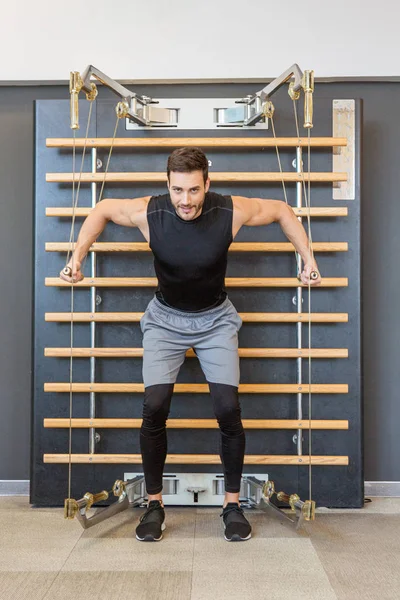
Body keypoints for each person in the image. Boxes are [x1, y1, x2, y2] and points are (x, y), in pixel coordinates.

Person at [60, 147, 321, 542]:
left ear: (207, 185)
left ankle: (231, 505)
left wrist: (309, 260)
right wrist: (77, 257)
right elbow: (100, 211)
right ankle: (154, 505)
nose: (186, 200)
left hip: (216, 320)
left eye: (194, 190)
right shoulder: (151, 213)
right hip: (165, 320)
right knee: (154, 407)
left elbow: (284, 210)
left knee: (228, 409)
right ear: (168, 186)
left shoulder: (228, 212)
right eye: (178, 190)